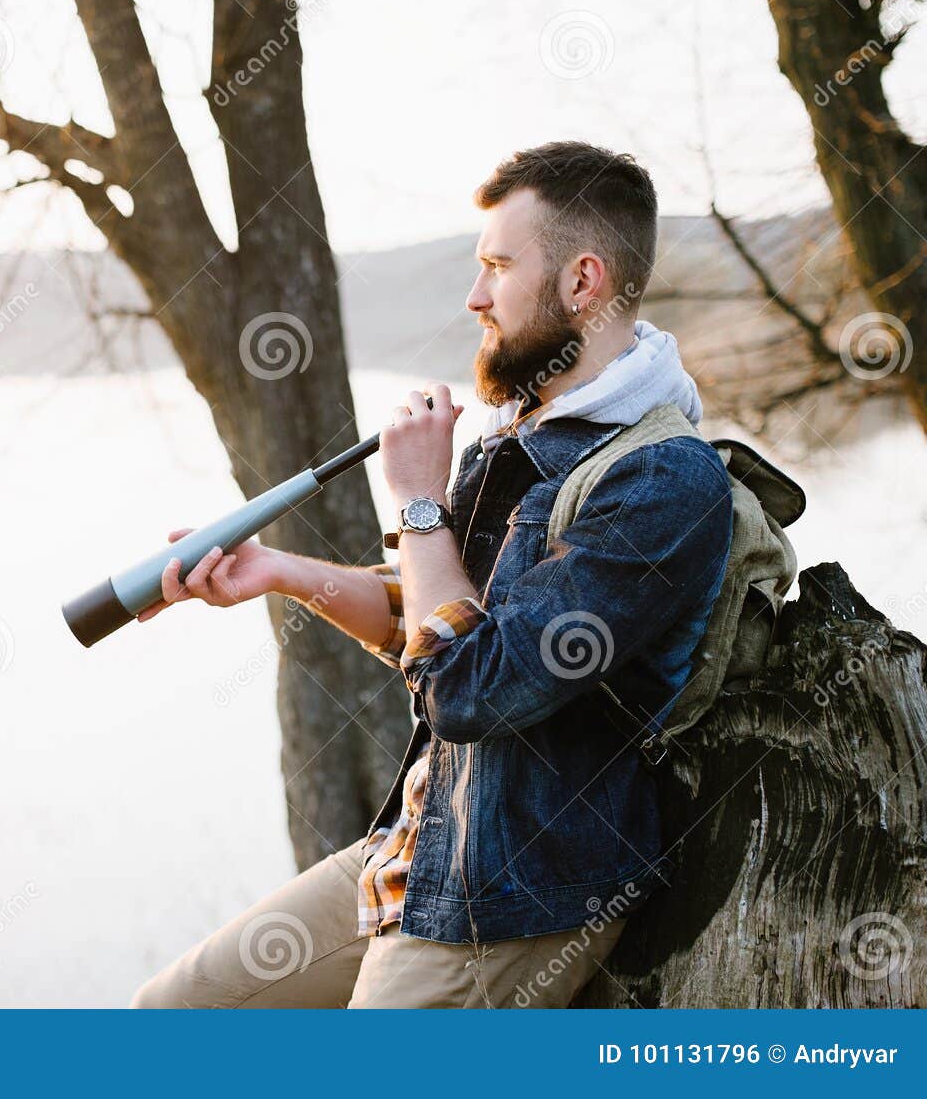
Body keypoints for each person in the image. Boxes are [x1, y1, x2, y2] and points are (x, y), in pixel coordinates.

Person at [131, 142, 733, 1008]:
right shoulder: (522, 435)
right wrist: (279, 570)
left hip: (518, 893)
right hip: (423, 844)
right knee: (170, 1016)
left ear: (583, 281)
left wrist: (419, 501)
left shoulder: (661, 482)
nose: (475, 295)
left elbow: (471, 688)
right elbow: (434, 627)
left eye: (496, 266)